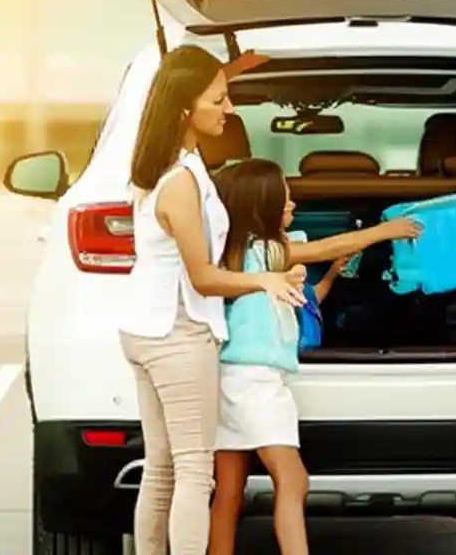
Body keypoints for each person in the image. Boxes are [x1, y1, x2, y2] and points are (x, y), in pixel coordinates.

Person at [120, 45, 307, 555]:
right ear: (186, 109)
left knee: (161, 468)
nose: (230, 110)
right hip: (177, 334)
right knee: (194, 473)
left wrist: (231, 68)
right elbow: (203, 277)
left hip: (145, 329)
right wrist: (263, 281)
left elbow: (174, 88)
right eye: (219, 100)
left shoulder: (164, 166)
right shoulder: (180, 183)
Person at [206, 157, 420, 555]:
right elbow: (330, 245)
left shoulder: (233, 255)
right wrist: (384, 231)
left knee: (229, 492)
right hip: (258, 382)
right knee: (293, 478)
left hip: (227, 378)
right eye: (285, 201)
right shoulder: (268, 252)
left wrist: (332, 275)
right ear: (261, 206)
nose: (293, 207)